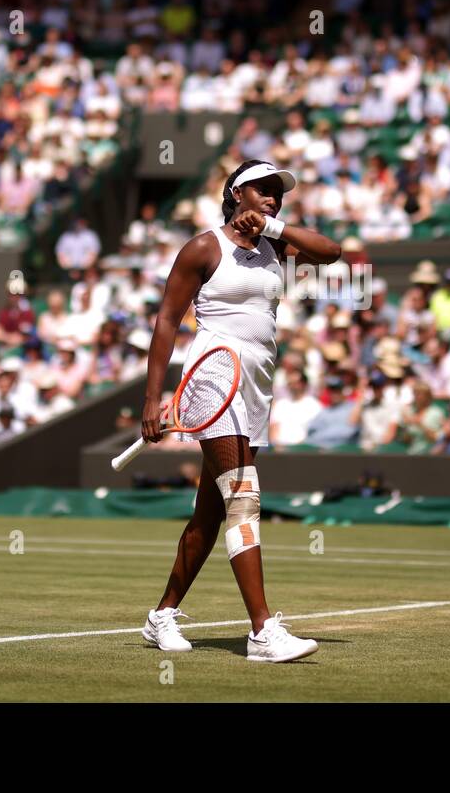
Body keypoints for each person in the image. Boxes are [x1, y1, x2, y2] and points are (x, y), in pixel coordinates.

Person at [138, 159, 339, 662]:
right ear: (235, 194)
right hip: (212, 375)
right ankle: (262, 631)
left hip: (255, 386)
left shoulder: (276, 245)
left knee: (210, 513)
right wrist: (150, 396)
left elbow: (333, 253)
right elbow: (166, 321)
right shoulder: (204, 246)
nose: (273, 197)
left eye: (278, 192)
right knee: (244, 497)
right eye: (262, 190)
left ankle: (161, 615)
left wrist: (273, 227)